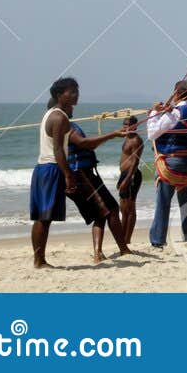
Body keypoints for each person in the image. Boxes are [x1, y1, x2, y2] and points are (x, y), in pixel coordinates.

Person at [66, 116, 133, 263]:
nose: (73, 107)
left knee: (100, 214)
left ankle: (98, 253)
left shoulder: (69, 125)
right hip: (82, 173)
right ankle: (123, 249)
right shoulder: (66, 125)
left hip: (85, 172)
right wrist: (112, 134)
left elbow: (87, 145)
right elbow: (84, 144)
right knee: (113, 209)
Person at [146, 80, 187, 249]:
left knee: (163, 201)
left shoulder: (174, 113)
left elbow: (152, 134)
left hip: (173, 164)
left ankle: (158, 240)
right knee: (186, 199)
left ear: (176, 93)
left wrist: (153, 113)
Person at [30, 77, 79, 269]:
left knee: (42, 217)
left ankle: (38, 259)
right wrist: (68, 175)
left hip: (42, 168)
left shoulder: (51, 112)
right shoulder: (59, 118)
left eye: (77, 91)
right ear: (60, 95)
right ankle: (39, 260)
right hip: (51, 168)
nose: (76, 95)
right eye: (71, 91)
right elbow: (59, 150)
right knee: (45, 217)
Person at [116, 116, 144, 246]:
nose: (126, 127)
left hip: (131, 176)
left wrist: (127, 180)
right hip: (124, 174)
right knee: (123, 208)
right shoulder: (127, 137)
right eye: (124, 125)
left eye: (128, 125)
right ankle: (122, 237)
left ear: (135, 126)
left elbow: (135, 163)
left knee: (130, 208)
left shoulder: (136, 140)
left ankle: (127, 239)